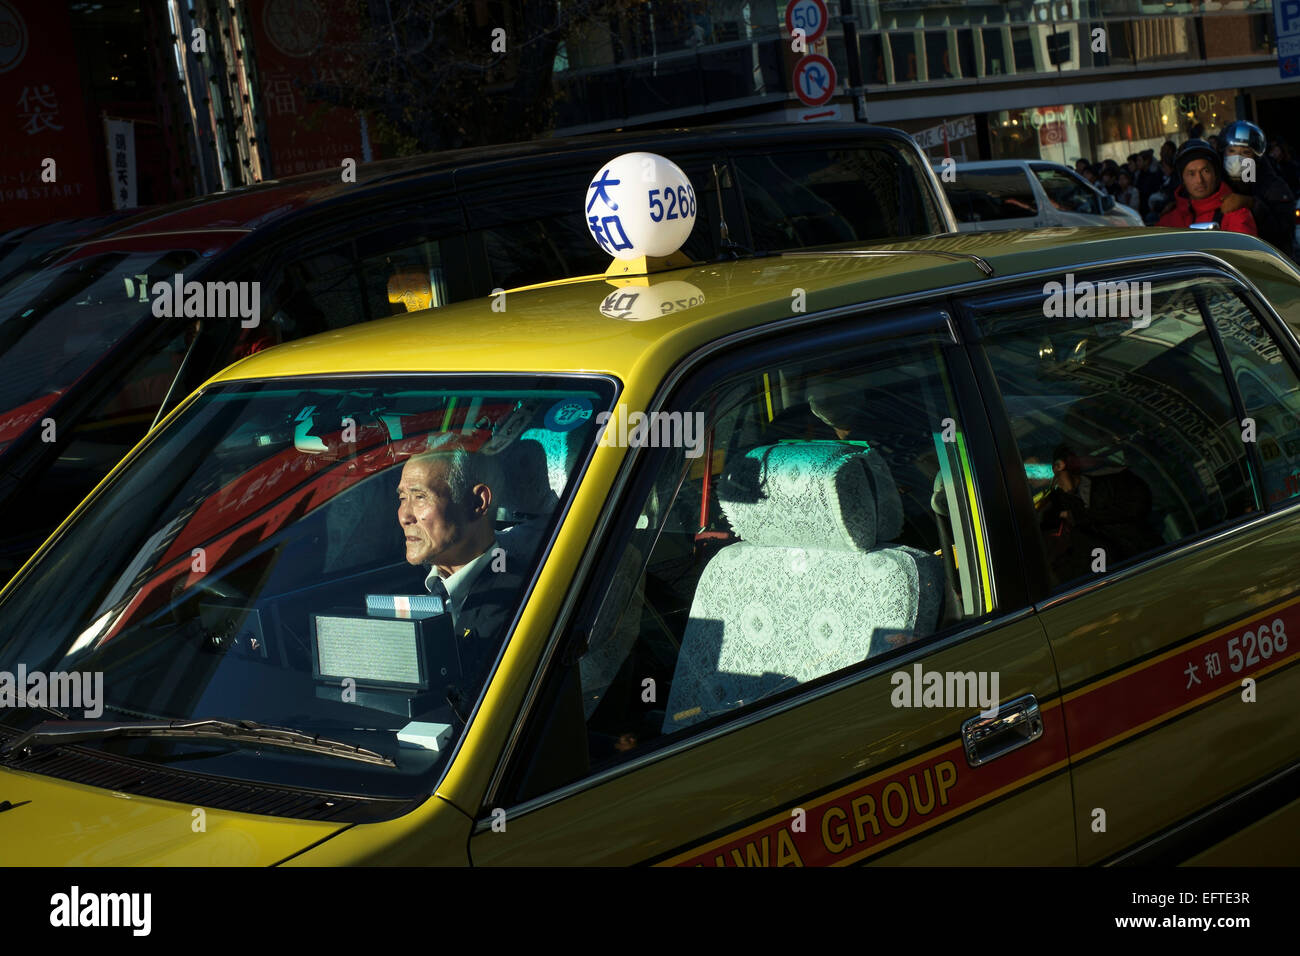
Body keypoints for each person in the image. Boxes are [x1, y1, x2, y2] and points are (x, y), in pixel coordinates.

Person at [397, 446, 525, 717]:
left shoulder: (524, 600)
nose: (404, 515)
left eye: (420, 497)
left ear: (477, 503)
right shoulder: (401, 588)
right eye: (402, 497)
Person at [1037, 445, 1162, 584]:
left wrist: (1083, 516)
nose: (1035, 479)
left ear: (1060, 465)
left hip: (1147, 563)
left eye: (1037, 471)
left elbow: (1136, 507)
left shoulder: (1114, 478)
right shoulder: (1054, 508)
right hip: (1107, 580)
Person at [1218, 120, 1297, 258]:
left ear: (1256, 157)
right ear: (1223, 152)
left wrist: (1252, 204)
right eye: (1232, 151)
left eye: (1246, 152)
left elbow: (1283, 232)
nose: (1237, 157)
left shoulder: (1274, 186)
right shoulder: (1216, 183)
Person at [1157, 139, 1257, 236]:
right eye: (1191, 174)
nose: (1199, 180)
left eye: (1205, 171)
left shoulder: (1236, 213)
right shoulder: (1169, 221)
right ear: (1182, 180)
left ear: (1215, 175)